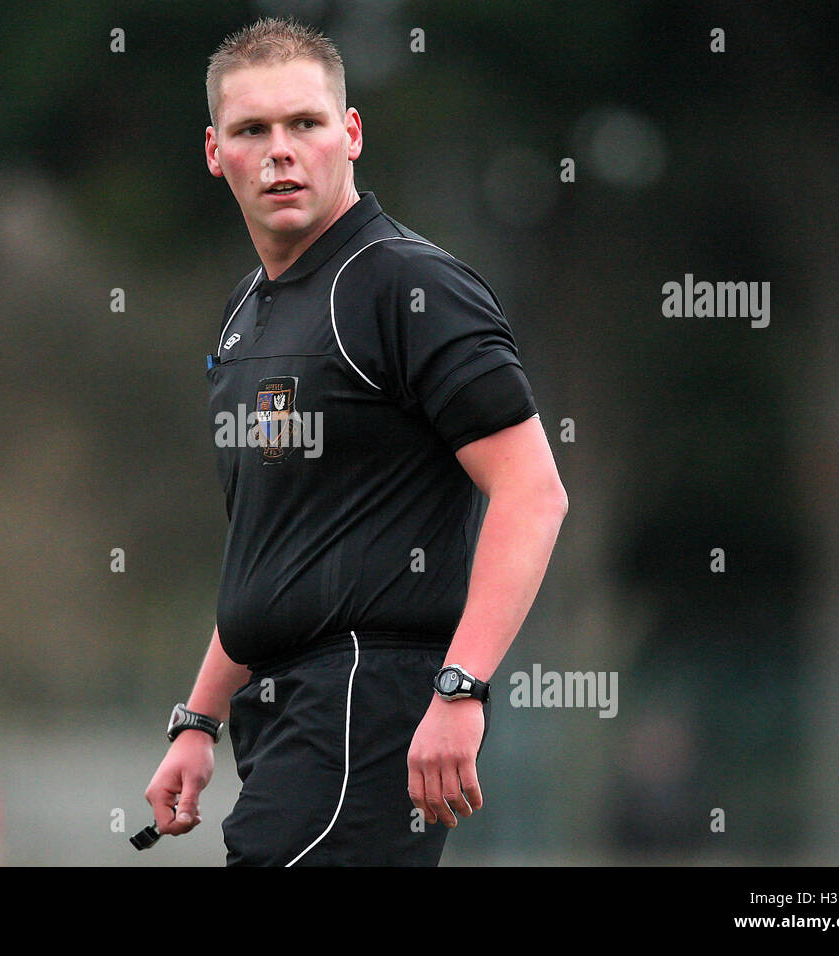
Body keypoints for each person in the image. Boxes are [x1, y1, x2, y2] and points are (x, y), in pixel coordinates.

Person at [143, 16, 567, 866]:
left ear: (351, 133)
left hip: (369, 707)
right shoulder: (244, 311)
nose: (281, 150)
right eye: (252, 130)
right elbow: (277, 552)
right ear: (214, 151)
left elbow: (533, 491)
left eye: (304, 123)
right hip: (280, 713)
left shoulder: (409, 284)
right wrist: (199, 717)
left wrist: (461, 688)